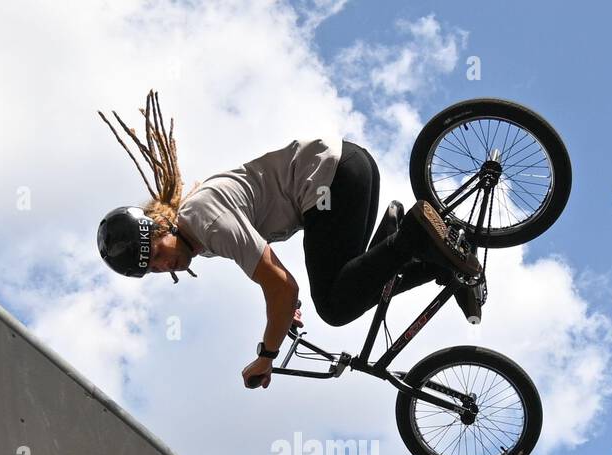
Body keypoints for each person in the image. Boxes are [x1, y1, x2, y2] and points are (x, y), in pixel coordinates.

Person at [96, 91, 480, 390]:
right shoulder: (203, 234)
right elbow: (274, 275)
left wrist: (267, 354)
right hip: (343, 172)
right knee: (353, 282)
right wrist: (285, 305)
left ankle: (413, 236)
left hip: (329, 182)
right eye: (154, 271)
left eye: (155, 257)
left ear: (159, 231)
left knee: (334, 305)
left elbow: (280, 284)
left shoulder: (205, 220)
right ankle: (436, 258)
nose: (163, 268)